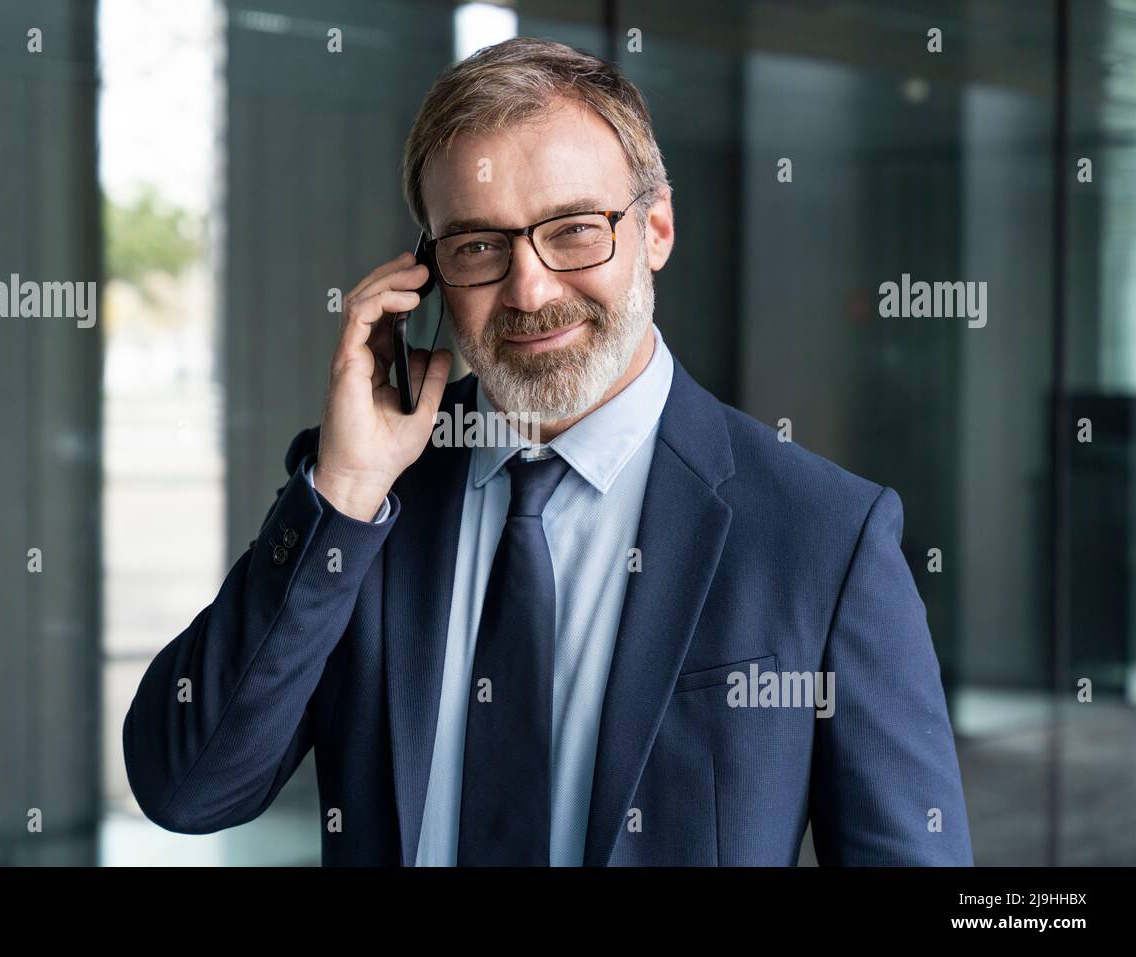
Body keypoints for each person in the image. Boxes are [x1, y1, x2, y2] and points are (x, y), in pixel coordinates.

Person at [123, 36, 973, 866]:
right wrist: (344, 488)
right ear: (429, 275)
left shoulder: (823, 535)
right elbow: (187, 787)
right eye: (480, 246)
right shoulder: (368, 498)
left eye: (573, 229)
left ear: (658, 229)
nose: (529, 288)